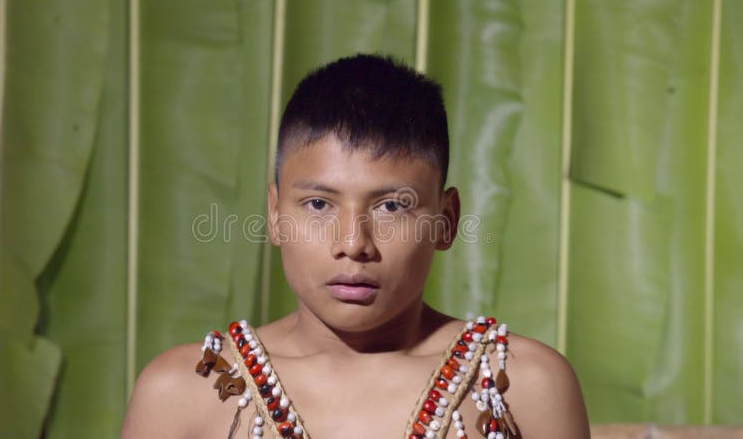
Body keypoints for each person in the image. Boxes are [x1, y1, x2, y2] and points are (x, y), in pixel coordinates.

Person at [121, 54, 590, 439]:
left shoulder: (526, 387)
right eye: (319, 204)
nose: (353, 244)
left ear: (445, 221)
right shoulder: (183, 392)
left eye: (391, 207)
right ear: (276, 214)